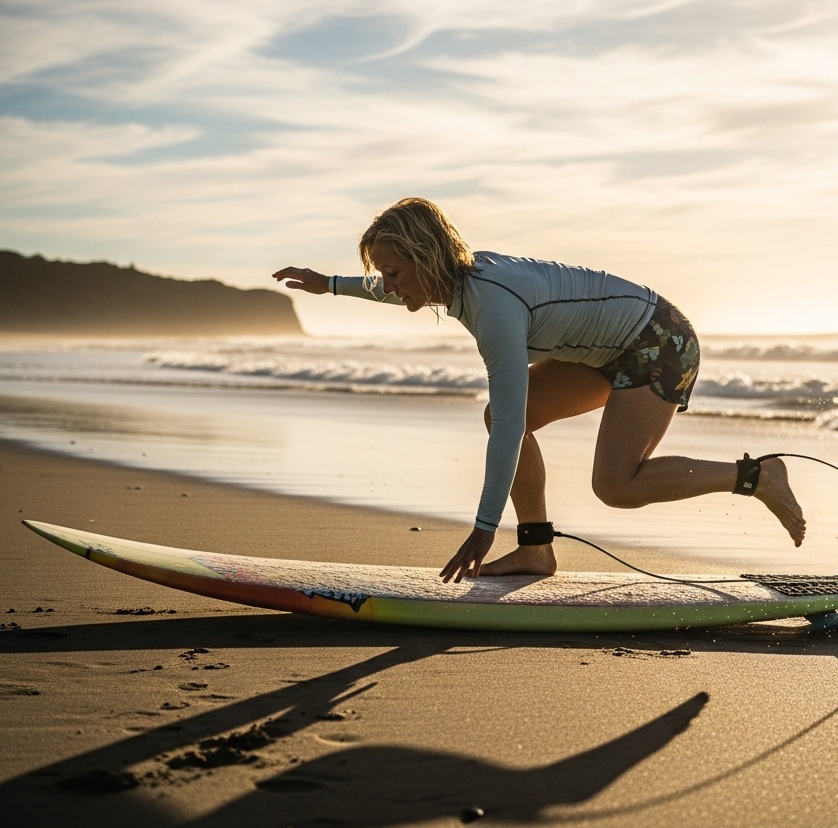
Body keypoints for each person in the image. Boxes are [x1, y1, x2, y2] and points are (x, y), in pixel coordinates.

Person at [273, 197, 805, 584]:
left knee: (615, 486)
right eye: (381, 273)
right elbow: (397, 293)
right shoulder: (452, 280)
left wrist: (483, 528)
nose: (387, 283)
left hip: (658, 340)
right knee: (504, 418)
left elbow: (509, 421)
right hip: (605, 351)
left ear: (426, 257)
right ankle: (536, 550)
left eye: (392, 271)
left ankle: (758, 477)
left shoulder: (493, 307)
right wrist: (331, 284)